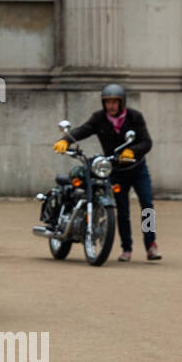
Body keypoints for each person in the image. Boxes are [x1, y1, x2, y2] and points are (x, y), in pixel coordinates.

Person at [55, 82, 160, 262]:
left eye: (115, 102)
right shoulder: (99, 118)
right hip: (116, 170)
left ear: (122, 102)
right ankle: (126, 249)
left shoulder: (135, 117)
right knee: (122, 211)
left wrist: (132, 151)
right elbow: (84, 130)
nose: (111, 106)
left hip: (137, 169)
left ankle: (151, 245)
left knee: (147, 206)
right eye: (107, 102)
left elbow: (147, 142)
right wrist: (66, 140)